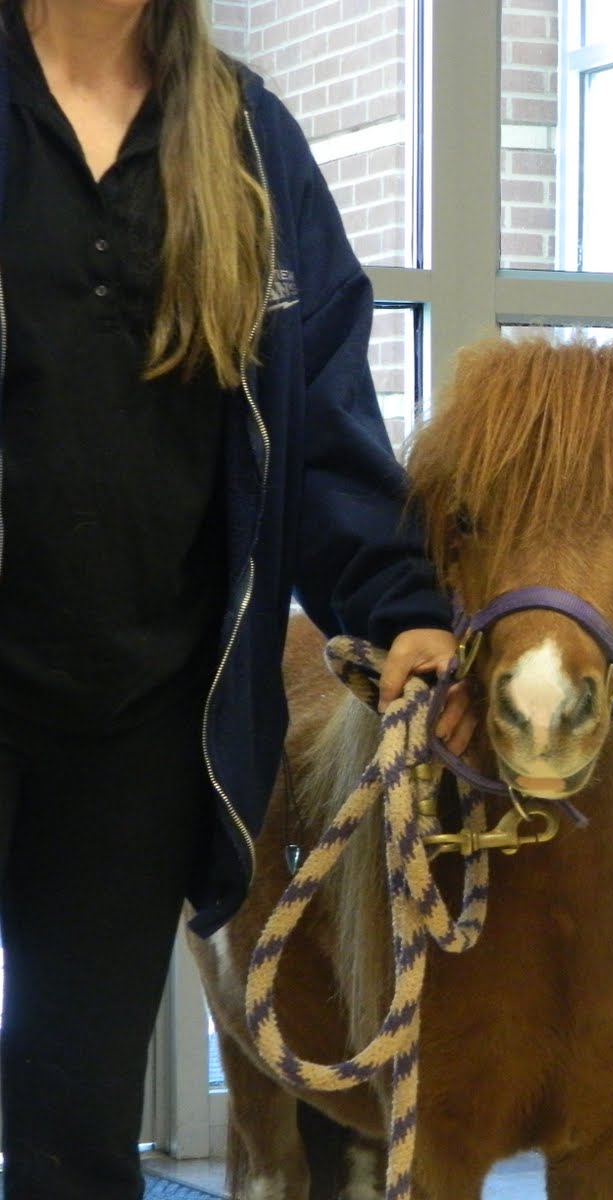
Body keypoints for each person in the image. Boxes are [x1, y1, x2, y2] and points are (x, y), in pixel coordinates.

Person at [0, 1, 470, 1195]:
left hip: (138, 722)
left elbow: (320, 430)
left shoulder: (248, 138)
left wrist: (400, 605)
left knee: (73, 1130)